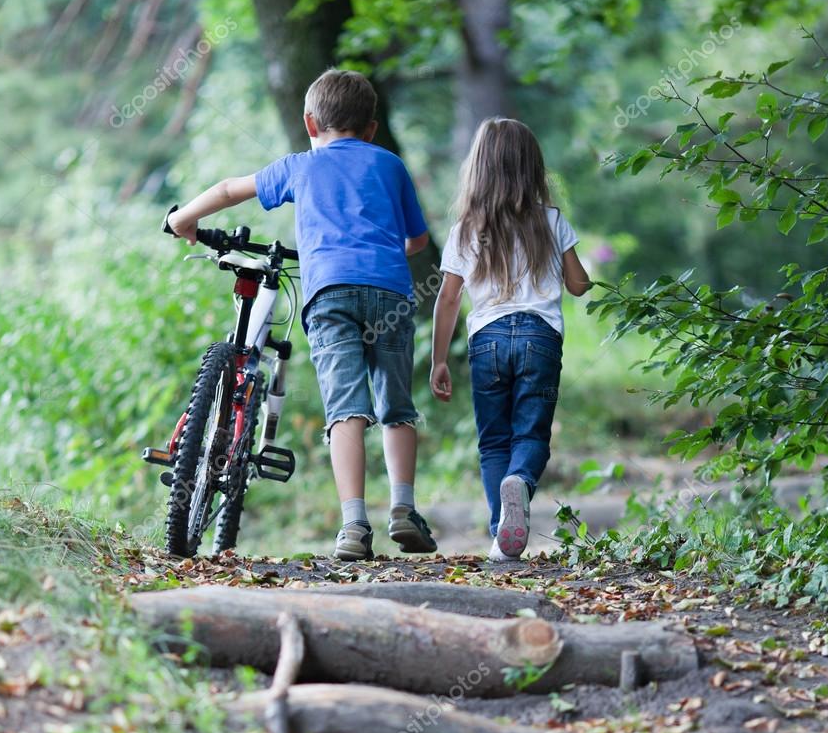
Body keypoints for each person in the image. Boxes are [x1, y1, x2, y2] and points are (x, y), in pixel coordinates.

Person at [167, 68, 437, 561]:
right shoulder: (391, 165)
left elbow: (230, 188)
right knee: (396, 406)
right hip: (391, 292)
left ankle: (354, 524)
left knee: (345, 410)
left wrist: (183, 219)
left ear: (310, 123)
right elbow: (417, 240)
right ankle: (403, 509)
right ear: (373, 128)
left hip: (330, 293)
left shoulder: (301, 166)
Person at [429, 117, 591, 561]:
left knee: (493, 441)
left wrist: (438, 361)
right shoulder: (551, 221)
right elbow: (579, 285)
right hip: (540, 338)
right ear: (532, 168)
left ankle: (502, 529)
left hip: (487, 342)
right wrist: (572, 266)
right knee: (531, 436)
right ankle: (519, 482)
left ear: (477, 169)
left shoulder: (465, 229)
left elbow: (447, 299)